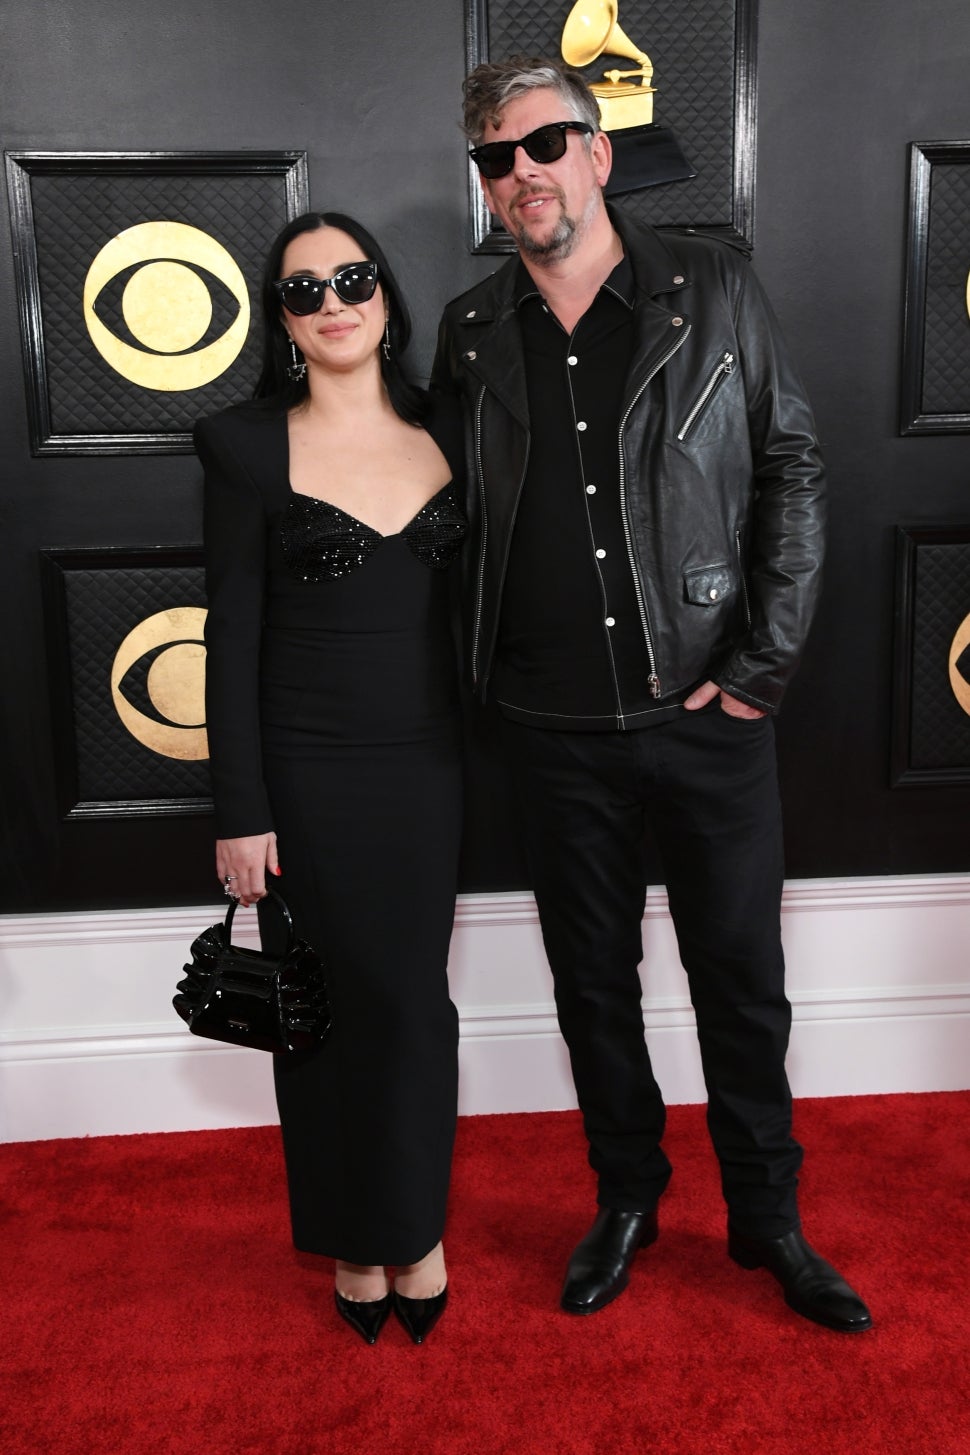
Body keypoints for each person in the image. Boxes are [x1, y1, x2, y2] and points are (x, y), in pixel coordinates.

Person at [433, 58, 872, 1333]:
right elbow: (448, 515)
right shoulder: (471, 333)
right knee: (592, 990)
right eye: (497, 158)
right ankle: (625, 1198)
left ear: (598, 154)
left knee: (741, 983)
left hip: (706, 722)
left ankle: (768, 1221)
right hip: (550, 736)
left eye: (546, 145)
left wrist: (757, 672)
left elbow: (792, 467)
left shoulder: (712, 288)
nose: (523, 172)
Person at [196, 210, 466, 1346]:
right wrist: (241, 811)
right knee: (319, 1016)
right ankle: (355, 1242)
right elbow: (231, 636)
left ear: (388, 296)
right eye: (304, 290)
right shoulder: (246, 445)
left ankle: (416, 1229)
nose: (334, 301)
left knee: (412, 1007)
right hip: (304, 773)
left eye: (352, 278)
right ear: (284, 323)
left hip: (432, 769)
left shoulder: (456, 426)